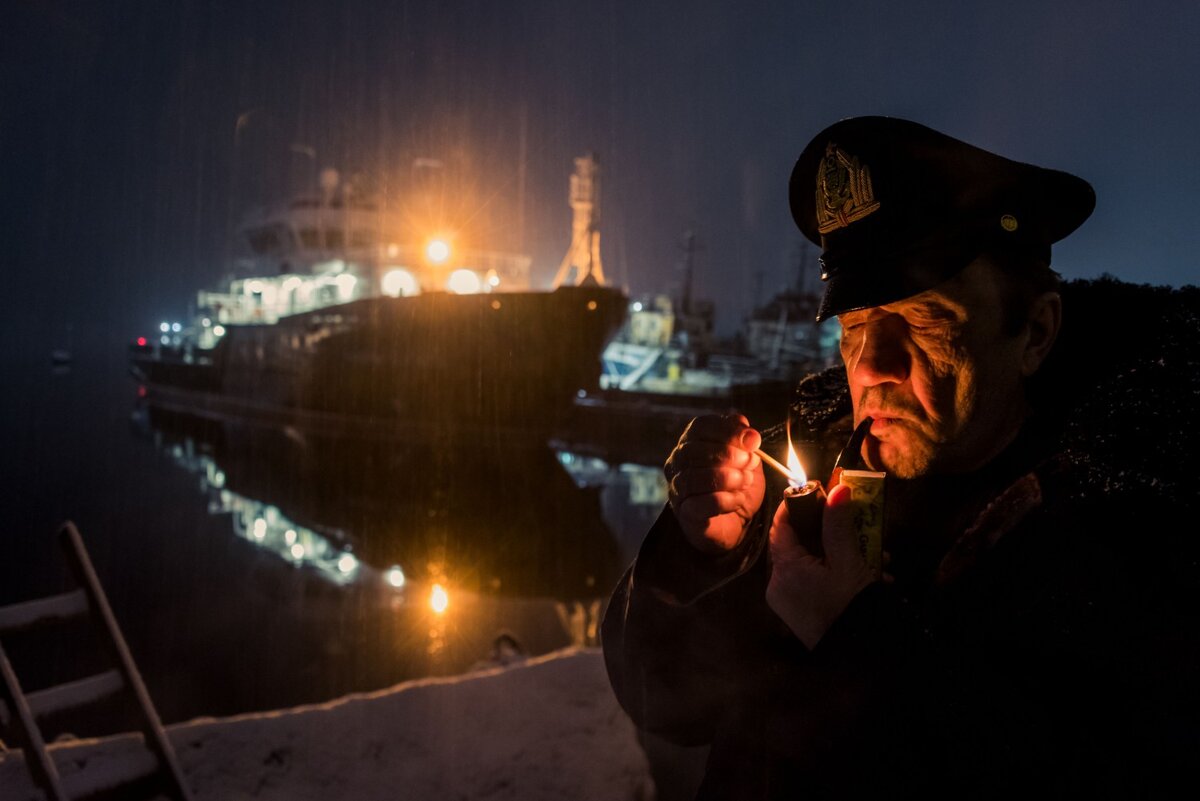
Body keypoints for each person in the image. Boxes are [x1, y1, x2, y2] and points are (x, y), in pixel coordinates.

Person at [601, 116, 1198, 799]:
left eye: (923, 319)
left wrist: (851, 636)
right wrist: (699, 553)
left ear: (1034, 333)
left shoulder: (1135, 537)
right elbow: (664, 698)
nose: (873, 366)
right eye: (856, 327)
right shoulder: (816, 484)